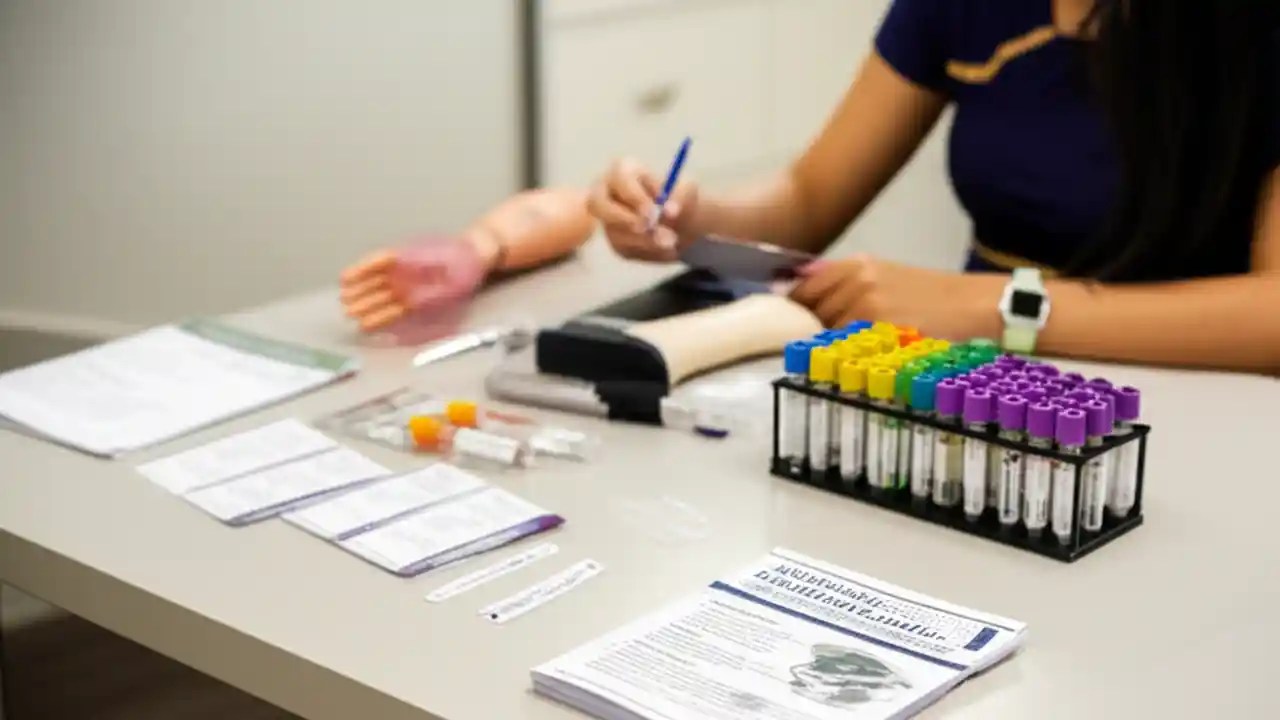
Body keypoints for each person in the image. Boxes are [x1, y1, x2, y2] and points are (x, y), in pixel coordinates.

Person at [588, 0, 1280, 373]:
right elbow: (808, 199)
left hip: (1197, 406)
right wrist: (690, 221)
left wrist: (999, 309)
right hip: (979, 394)